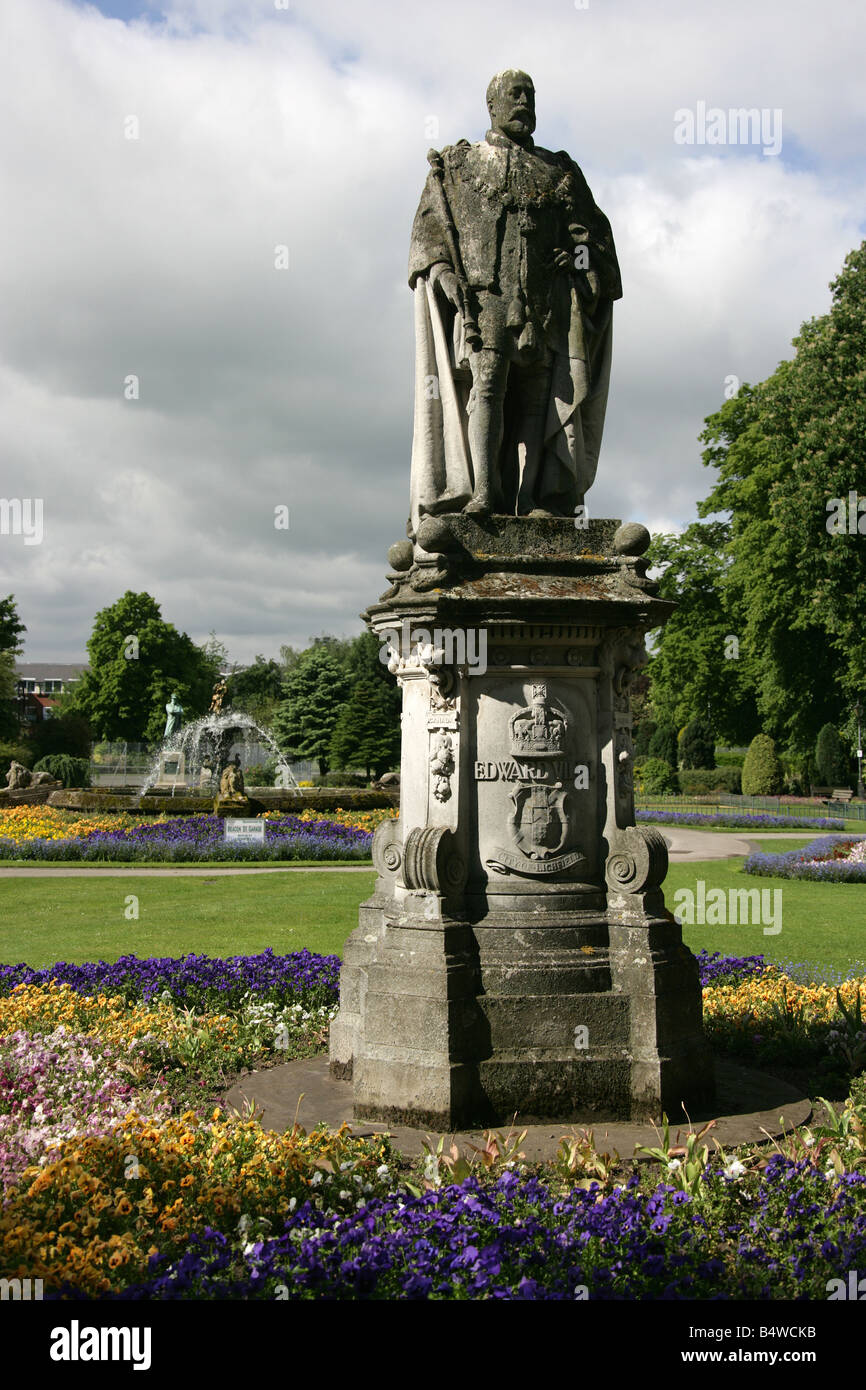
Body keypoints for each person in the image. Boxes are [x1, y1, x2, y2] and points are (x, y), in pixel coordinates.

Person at [408, 70, 621, 532]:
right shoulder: (458, 167)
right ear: (492, 105)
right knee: (486, 392)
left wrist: (579, 263)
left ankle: (537, 499)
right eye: (515, 95)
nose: (525, 102)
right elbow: (430, 241)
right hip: (486, 303)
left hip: (547, 306)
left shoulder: (560, 171)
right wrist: (445, 277)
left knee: (539, 400)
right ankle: (486, 492)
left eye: (531, 95)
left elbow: (594, 241)